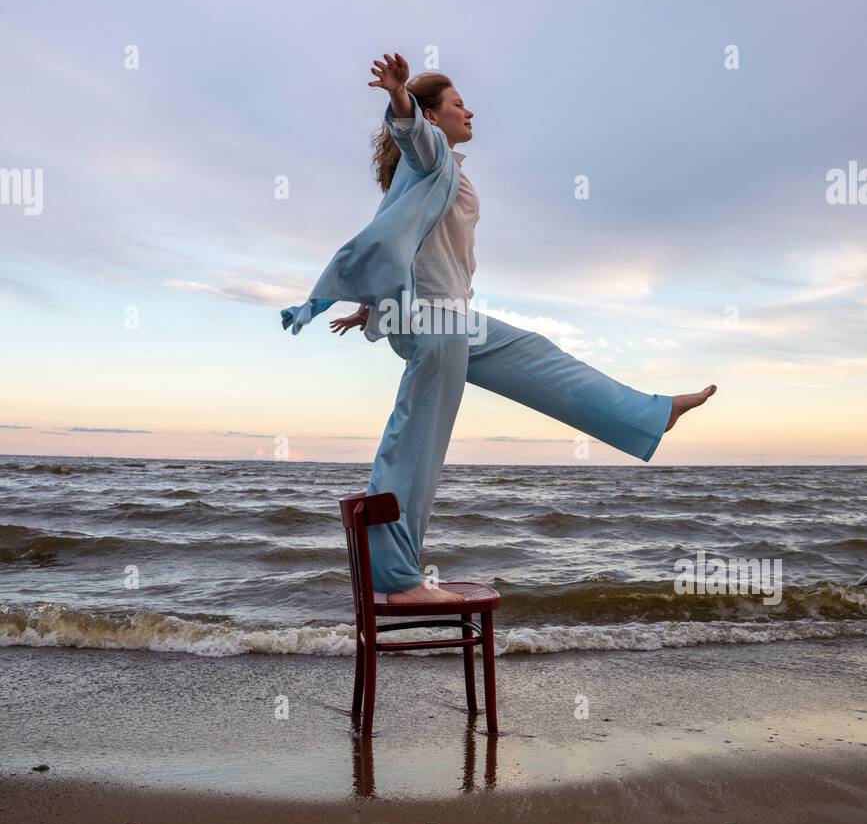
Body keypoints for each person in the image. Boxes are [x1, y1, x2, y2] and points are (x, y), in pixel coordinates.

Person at [282, 52, 717, 604]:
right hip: (435, 322)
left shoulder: (436, 178)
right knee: (416, 442)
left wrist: (372, 307)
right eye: (459, 105)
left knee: (534, 352)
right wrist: (400, 99)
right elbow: (416, 136)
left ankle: (647, 414)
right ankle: (397, 580)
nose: (472, 111)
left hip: (448, 317)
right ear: (434, 117)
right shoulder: (432, 157)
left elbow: (399, 243)